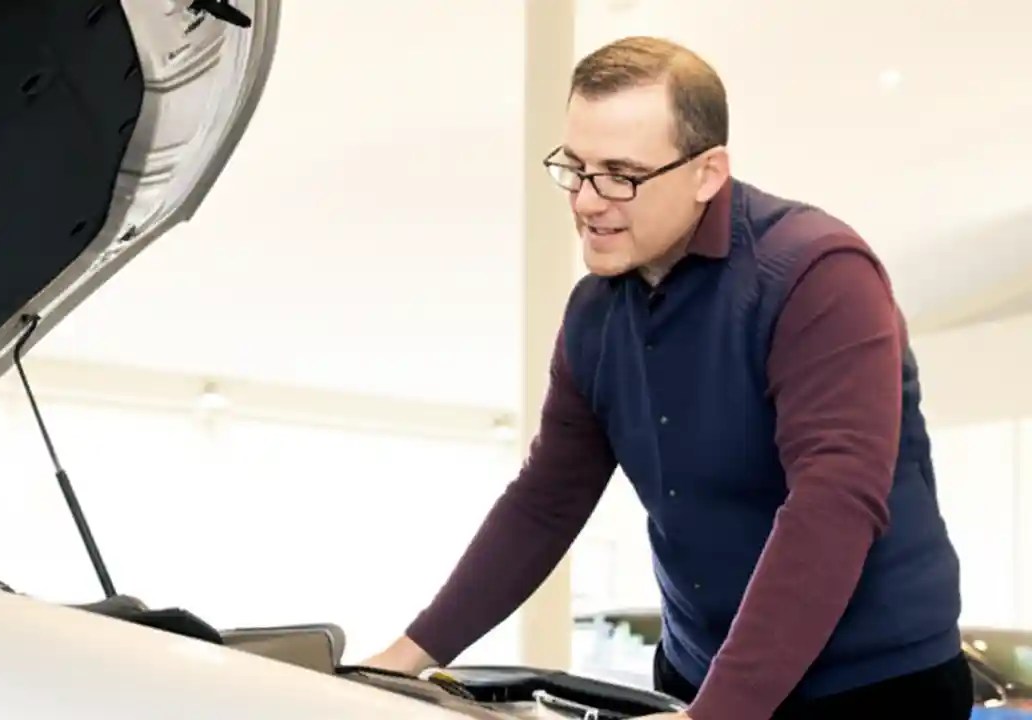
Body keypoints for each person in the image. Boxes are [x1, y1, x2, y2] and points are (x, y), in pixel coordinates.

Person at [361, 36, 970, 720]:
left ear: (707, 171)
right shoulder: (594, 315)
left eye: (621, 174)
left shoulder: (818, 275)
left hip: (871, 687)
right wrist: (405, 657)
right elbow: (545, 502)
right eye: (576, 167)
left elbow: (833, 504)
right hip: (697, 675)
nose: (588, 202)